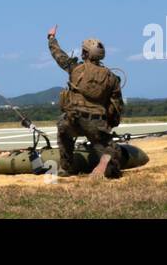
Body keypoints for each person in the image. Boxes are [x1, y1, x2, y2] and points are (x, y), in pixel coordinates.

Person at [47, 25, 124, 179]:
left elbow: (59, 55)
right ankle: (106, 162)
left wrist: (51, 38)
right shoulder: (111, 78)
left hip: (74, 122)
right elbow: (117, 106)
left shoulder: (75, 69)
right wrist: (109, 125)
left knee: (62, 129)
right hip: (97, 125)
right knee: (111, 162)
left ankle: (67, 168)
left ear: (84, 53)